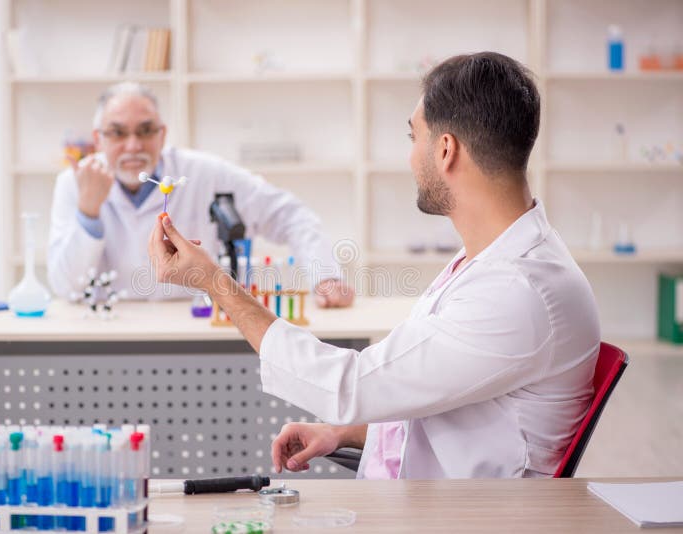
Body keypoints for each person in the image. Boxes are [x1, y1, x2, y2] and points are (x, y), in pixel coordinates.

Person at [146, 52, 601, 478]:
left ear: (446, 150)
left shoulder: (516, 290)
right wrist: (342, 434)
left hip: (467, 517)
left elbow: (350, 386)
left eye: (412, 137)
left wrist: (213, 283)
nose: (409, 156)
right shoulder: (497, 261)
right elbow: (441, 393)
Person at [47, 82, 354, 306]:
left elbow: (291, 216)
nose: (132, 146)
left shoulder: (204, 173)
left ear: (162, 134)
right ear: (98, 140)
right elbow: (66, 286)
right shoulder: (74, 183)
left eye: (145, 131)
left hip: (195, 328)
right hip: (109, 336)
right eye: (117, 133)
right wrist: (88, 211)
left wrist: (325, 277)